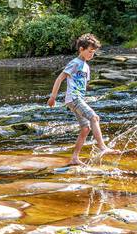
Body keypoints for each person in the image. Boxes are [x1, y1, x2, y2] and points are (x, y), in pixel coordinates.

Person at [47, 32, 113, 165]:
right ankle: (102, 147)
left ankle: (74, 158)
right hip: (73, 98)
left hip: (78, 98)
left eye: (93, 52)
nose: (91, 55)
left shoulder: (86, 67)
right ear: (81, 49)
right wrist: (53, 97)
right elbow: (60, 78)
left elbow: (83, 84)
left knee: (85, 128)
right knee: (94, 117)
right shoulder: (75, 63)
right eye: (89, 51)